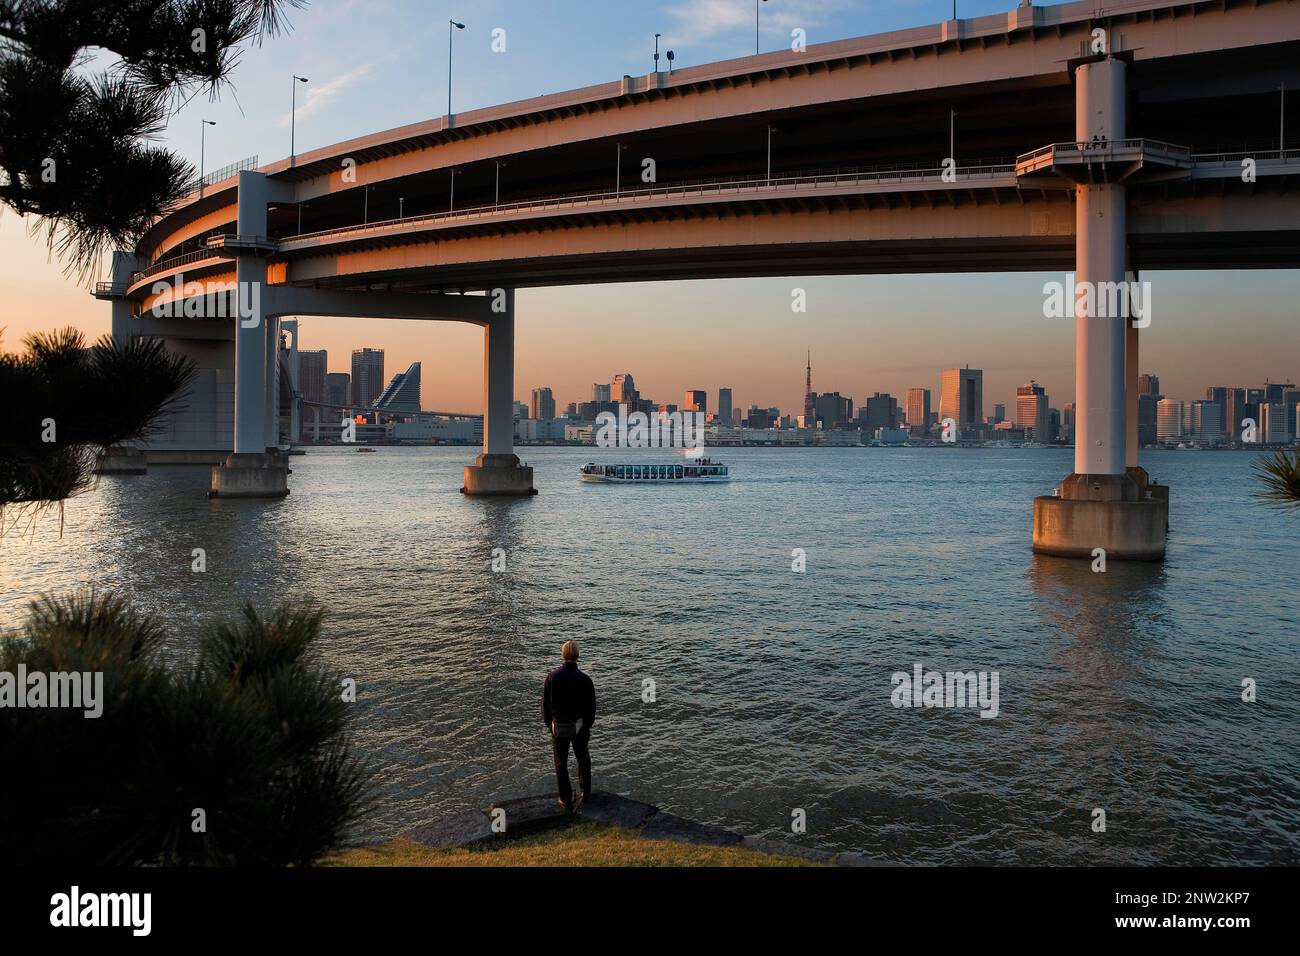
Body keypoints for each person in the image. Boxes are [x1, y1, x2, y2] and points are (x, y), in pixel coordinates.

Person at [542, 640, 596, 812]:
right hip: (579, 727)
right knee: (583, 759)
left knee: (561, 763)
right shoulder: (585, 680)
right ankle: (585, 792)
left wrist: (550, 726)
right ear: (577, 655)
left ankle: (565, 798)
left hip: (559, 727)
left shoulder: (552, 678)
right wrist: (586, 726)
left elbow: (546, 706)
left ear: (563, 655)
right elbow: (591, 708)